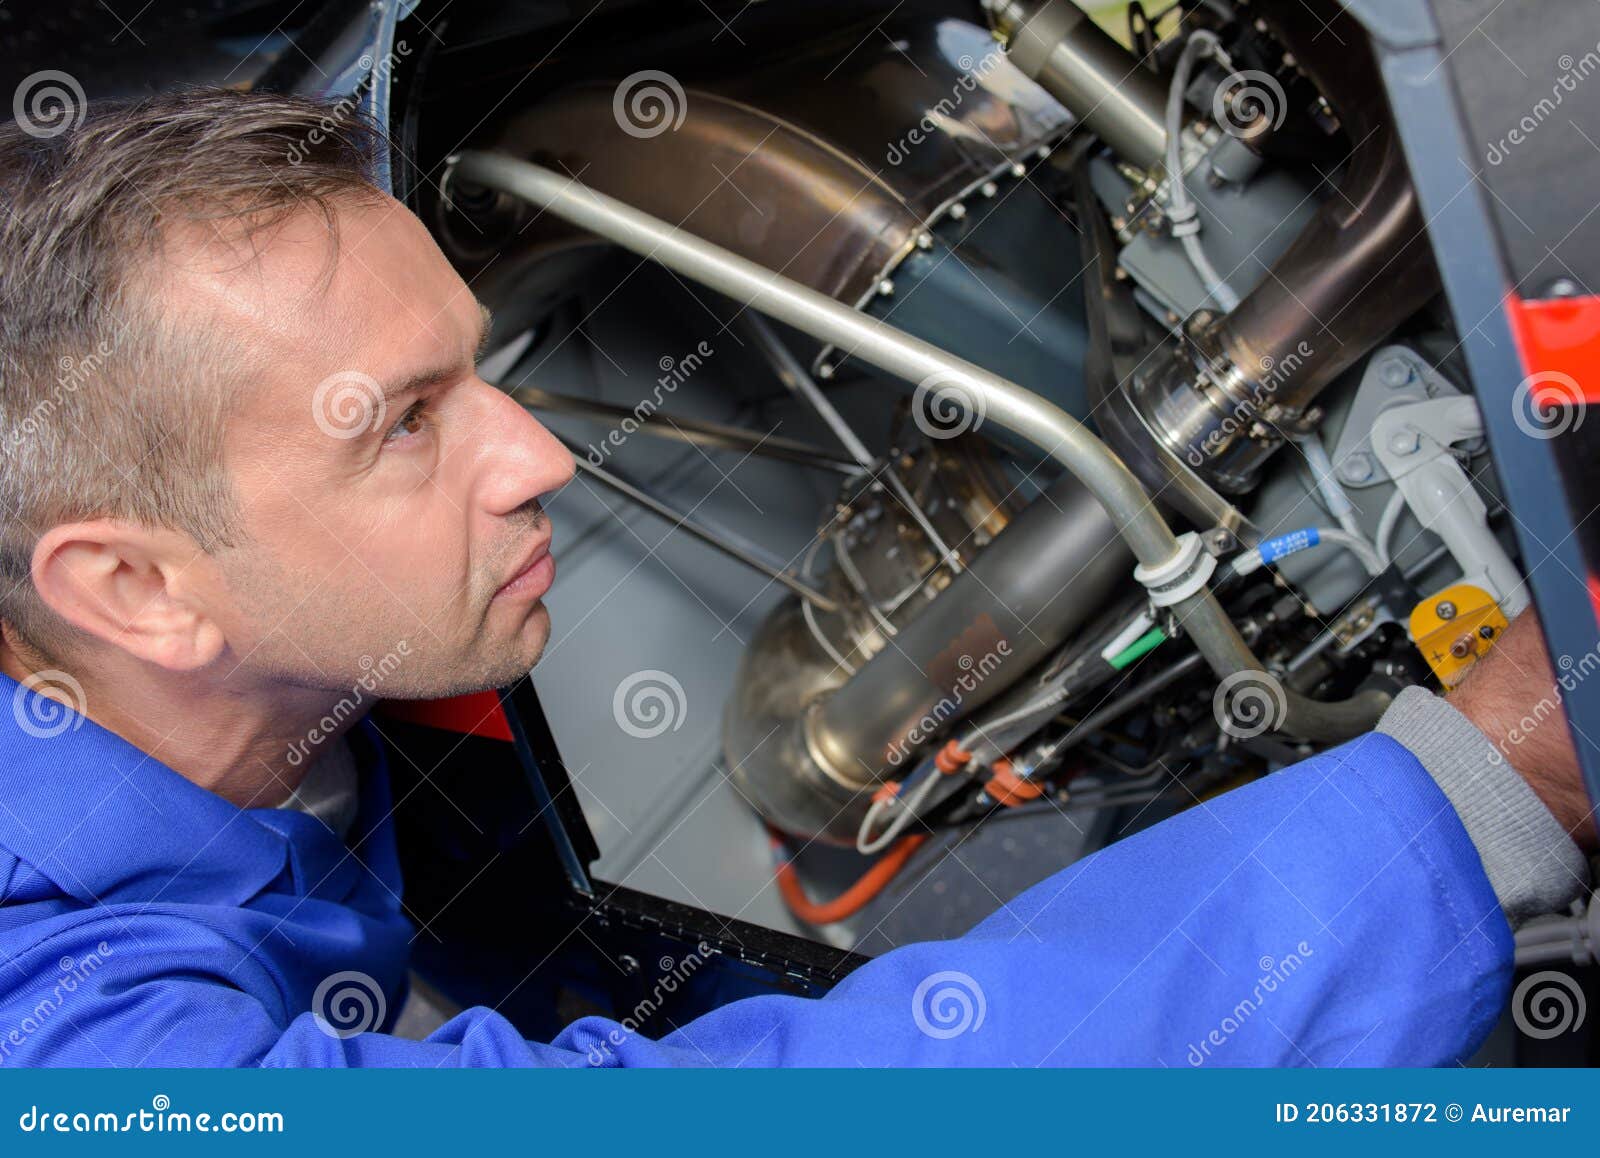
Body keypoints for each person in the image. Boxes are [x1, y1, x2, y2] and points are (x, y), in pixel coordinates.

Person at [0, 89, 1590, 1068]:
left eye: (471, 372)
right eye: (406, 426)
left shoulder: (225, 707)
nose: (536, 456)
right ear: (132, 589)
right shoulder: (72, 1053)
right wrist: (1490, 775)